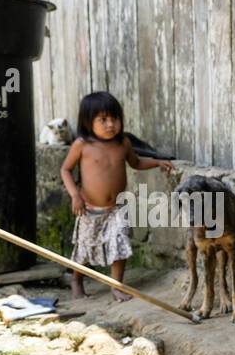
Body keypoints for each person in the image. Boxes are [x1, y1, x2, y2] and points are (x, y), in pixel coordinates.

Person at [60, 91, 172, 300]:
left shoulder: (123, 144)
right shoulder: (82, 145)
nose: (110, 124)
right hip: (90, 209)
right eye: (103, 120)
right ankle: (76, 279)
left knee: (120, 245)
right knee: (85, 247)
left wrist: (157, 162)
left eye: (114, 118)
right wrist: (75, 195)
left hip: (117, 209)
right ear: (87, 121)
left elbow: (136, 163)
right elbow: (65, 169)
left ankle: (116, 286)